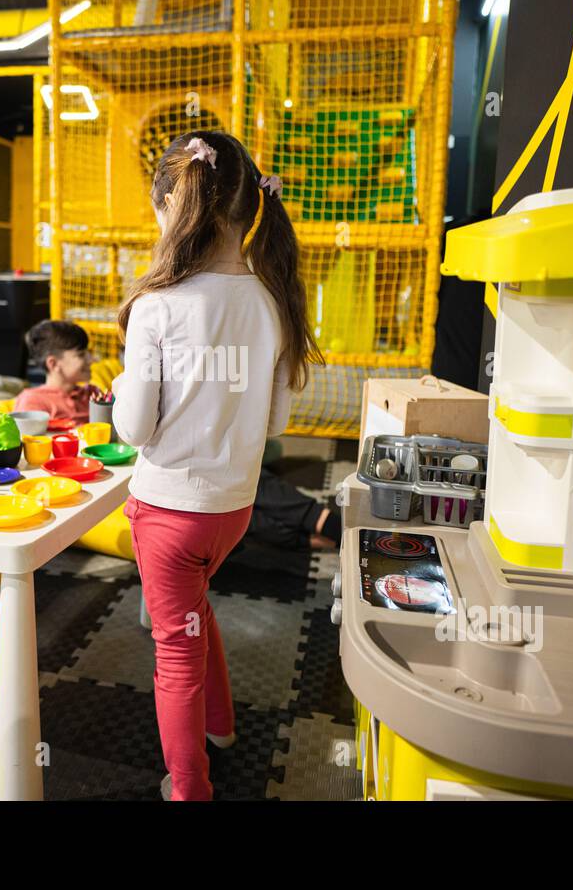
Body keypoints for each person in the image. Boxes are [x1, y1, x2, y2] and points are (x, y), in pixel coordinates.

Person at [108, 131, 325, 800]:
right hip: (232, 512)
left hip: (166, 513)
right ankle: (223, 727)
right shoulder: (271, 302)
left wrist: (120, 391)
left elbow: (135, 429)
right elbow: (276, 426)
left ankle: (190, 789)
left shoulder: (157, 306)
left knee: (174, 650)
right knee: (197, 617)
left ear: (173, 207)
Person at [16, 317, 342, 548]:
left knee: (231, 483)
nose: (89, 359)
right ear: (53, 363)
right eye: (80, 355)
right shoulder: (34, 403)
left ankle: (319, 525)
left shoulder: (89, 391)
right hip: (107, 485)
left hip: (132, 464)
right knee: (210, 504)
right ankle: (311, 534)